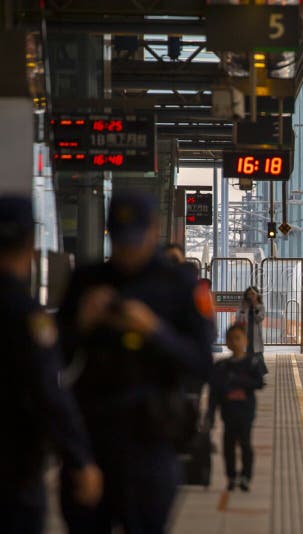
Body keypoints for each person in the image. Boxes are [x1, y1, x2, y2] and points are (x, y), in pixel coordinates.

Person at [57, 191, 215, 533]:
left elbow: (202, 363)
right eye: (120, 241)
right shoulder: (87, 281)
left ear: (154, 229)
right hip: (92, 438)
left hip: (152, 440)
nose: (127, 251)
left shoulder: (180, 285)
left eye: (136, 240)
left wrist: (155, 330)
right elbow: (55, 358)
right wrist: (80, 324)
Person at [0, 196, 102, 533]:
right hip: (12, 468)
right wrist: (80, 459)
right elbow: (47, 390)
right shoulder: (25, 314)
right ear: (30, 245)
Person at [206, 324, 264, 492]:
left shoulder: (252, 363)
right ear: (227, 342)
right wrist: (210, 413)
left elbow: (259, 383)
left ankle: (246, 476)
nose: (234, 342)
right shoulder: (222, 366)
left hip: (246, 410)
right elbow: (214, 392)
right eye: (230, 339)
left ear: (245, 340)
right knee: (228, 444)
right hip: (228, 411)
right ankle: (231, 477)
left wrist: (238, 381)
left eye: (238, 338)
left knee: (245, 442)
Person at [235, 286, 268, 377]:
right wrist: (243, 309)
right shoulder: (243, 305)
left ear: (257, 295)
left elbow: (259, 318)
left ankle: (260, 374)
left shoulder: (260, 307)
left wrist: (254, 308)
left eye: (253, 294)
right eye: (249, 294)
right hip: (245, 334)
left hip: (255, 335)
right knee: (245, 354)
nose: (251, 296)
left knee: (257, 354)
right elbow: (238, 319)